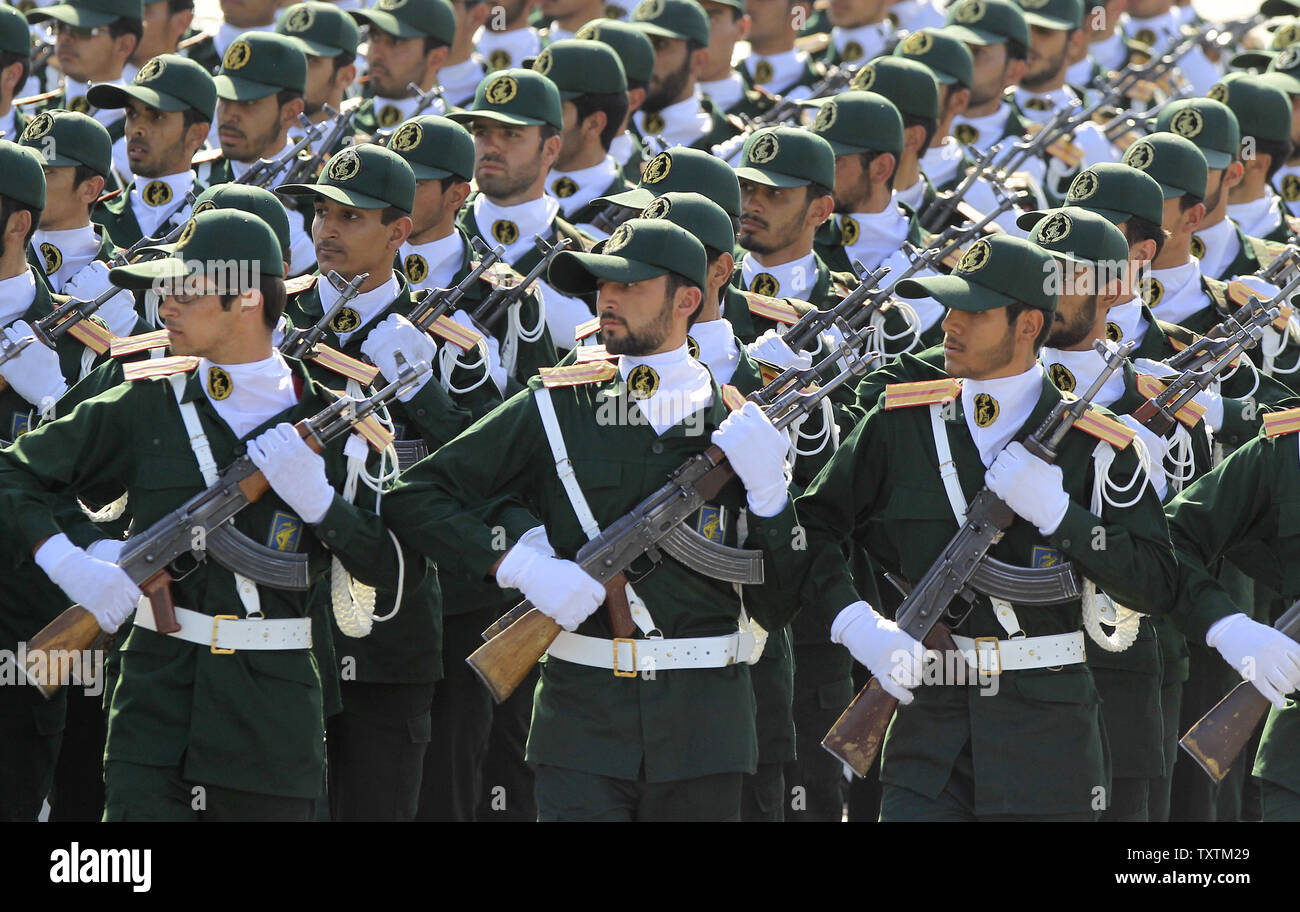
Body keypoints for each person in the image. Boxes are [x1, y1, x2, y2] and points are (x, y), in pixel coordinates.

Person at [382, 216, 804, 821]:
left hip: (705, 731)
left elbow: (781, 603)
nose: (607, 297)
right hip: (581, 728)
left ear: (688, 299)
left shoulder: (739, 423)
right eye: (601, 284)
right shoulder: (557, 404)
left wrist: (770, 495)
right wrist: (519, 565)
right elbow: (414, 496)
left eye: (630, 285)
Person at [0, 208, 413, 820]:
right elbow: (15, 471)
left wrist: (322, 505)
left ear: (247, 298)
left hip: (269, 719)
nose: (164, 306)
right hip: (153, 706)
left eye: (185, 291)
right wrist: (78, 559)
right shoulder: (145, 401)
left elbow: (400, 575)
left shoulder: (338, 425)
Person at [795, 232, 1177, 820]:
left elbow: (1155, 582)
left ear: (1028, 324)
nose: (949, 325)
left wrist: (1060, 516)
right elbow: (815, 528)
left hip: (1047, 738)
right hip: (928, 734)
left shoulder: (1092, 444)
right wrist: (855, 622)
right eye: (949, 308)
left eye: (972, 312)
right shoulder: (905, 420)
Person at [276, 141, 505, 819]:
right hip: (288, 609)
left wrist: (424, 389)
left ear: (399, 230)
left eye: (351, 216)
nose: (328, 229)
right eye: (321, 212)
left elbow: (488, 474)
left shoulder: (447, 334)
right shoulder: (271, 317)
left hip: (396, 614)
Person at [0, 139, 127, 822]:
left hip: (36, 619)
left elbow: (108, 495)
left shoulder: (89, 351)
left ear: (17, 223)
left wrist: (55, 406)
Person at [448, 67, 587, 351]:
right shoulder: (441, 232)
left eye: (511, 134)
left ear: (550, 149)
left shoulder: (582, 257)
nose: (491, 146)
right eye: (481, 132)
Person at [19, 110, 138, 343]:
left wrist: (128, 329)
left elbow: (168, 371)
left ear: (90, 189)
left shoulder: (135, 277)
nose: (26, 183)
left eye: (44, 172)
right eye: (25, 168)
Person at [87, 53, 215, 253]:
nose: (137, 128)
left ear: (197, 134)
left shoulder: (216, 220)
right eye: (132, 114)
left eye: (156, 116)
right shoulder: (92, 221)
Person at [25, 0, 144, 182]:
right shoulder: (28, 116)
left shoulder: (144, 136)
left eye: (83, 30)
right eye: (60, 26)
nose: (64, 37)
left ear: (124, 45)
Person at [531, 39, 629, 232]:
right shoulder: (496, 193)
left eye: (551, 109)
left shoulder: (637, 215)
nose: (532, 121)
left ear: (594, 124)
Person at [349, 0, 457, 134]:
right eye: (374, 35)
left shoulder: (452, 136)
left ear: (437, 58)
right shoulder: (345, 122)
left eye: (396, 41)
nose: (377, 53)